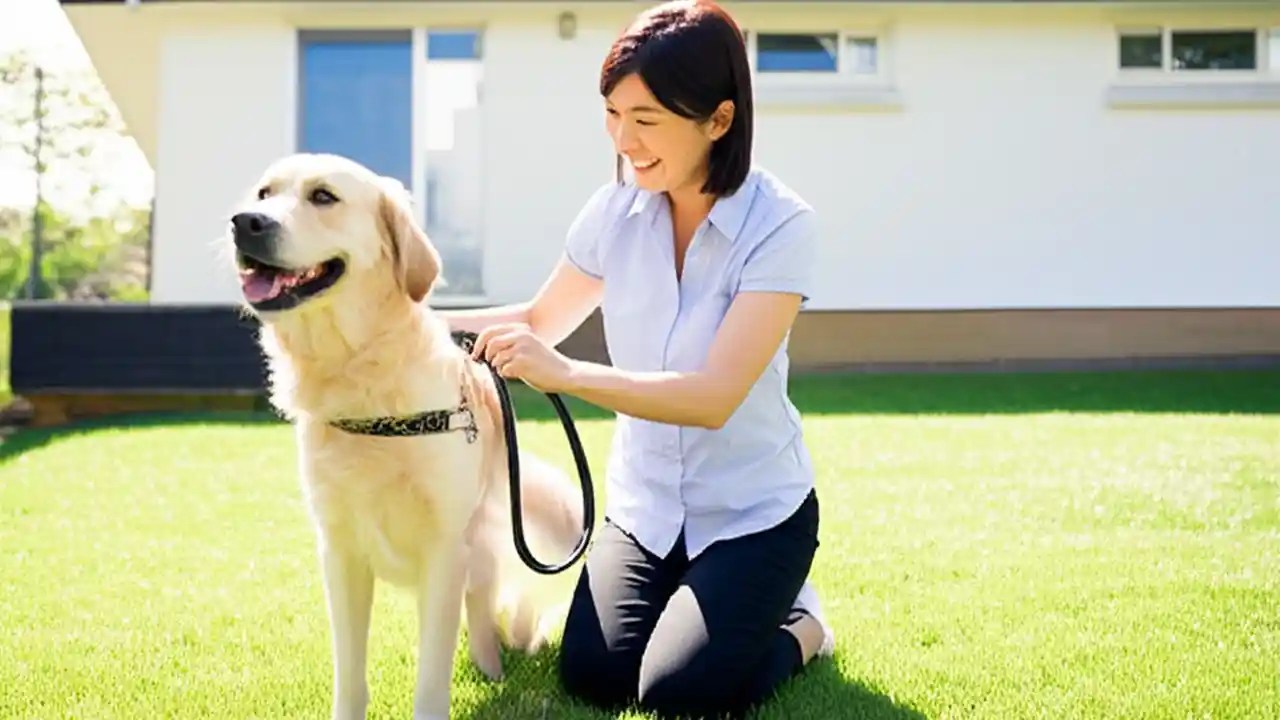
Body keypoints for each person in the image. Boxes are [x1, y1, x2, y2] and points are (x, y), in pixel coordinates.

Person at [440, 1, 833, 716]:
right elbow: (538, 319)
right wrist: (409, 326)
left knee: (680, 693)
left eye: (646, 120)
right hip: (646, 512)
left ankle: (803, 627)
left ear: (719, 120)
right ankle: (696, 601)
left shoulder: (780, 226)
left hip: (754, 515)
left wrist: (564, 373)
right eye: (614, 113)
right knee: (593, 675)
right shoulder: (613, 212)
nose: (624, 140)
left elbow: (715, 396)